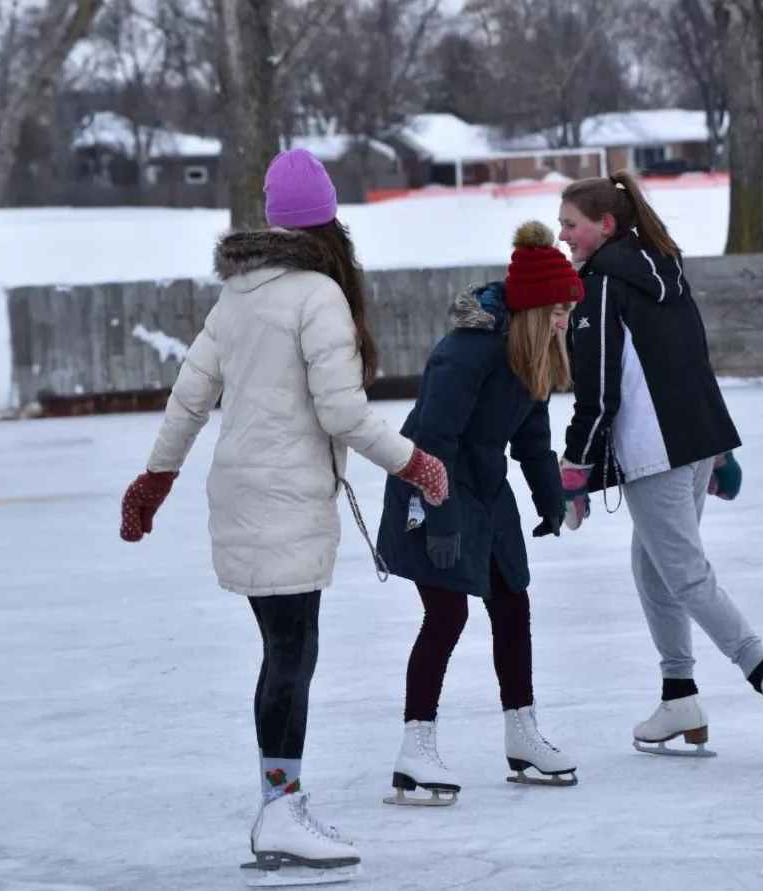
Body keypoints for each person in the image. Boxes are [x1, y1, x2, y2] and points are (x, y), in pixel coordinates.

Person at [117, 149, 450, 878]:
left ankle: (280, 801)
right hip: (285, 494)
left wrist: (157, 477)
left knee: (283, 650)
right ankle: (280, 808)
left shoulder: (238, 295)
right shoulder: (317, 295)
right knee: (293, 651)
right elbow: (343, 412)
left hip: (243, 490)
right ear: (330, 221)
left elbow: (188, 397)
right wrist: (415, 462)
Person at [555, 169, 763, 764]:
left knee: (684, 574)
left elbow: (597, 394)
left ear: (604, 225)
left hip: (656, 455)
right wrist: (719, 448)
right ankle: (680, 697)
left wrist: (573, 466)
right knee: (654, 567)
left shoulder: (601, 285)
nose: (563, 236)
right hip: (694, 443)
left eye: (570, 225)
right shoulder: (665, 271)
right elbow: (694, 363)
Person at [375, 221, 581, 806]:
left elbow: (534, 439)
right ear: (538, 308)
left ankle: (523, 736)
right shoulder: (466, 352)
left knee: (512, 603)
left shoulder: (532, 352)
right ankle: (415, 748)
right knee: (447, 616)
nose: (567, 319)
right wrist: (439, 518)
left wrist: (549, 496)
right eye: (561, 309)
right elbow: (434, 439)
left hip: (487, 492)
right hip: (431, 483)